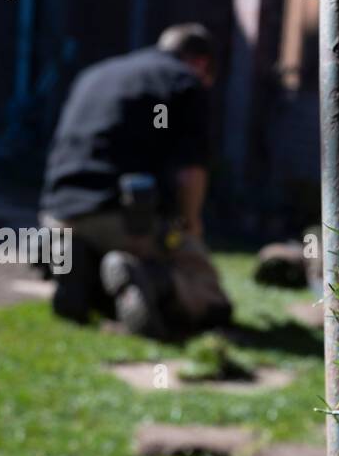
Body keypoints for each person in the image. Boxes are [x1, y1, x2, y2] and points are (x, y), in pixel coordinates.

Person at [39, 23, 232, 338]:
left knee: (106, 266)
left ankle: (80, 266)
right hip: (127, 220)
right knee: (212, 300)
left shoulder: (96, 73)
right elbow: (190, 172)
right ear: (201, 63)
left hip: (58, 212)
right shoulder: (184, 81)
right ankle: (152, 277)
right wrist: (191, 224)